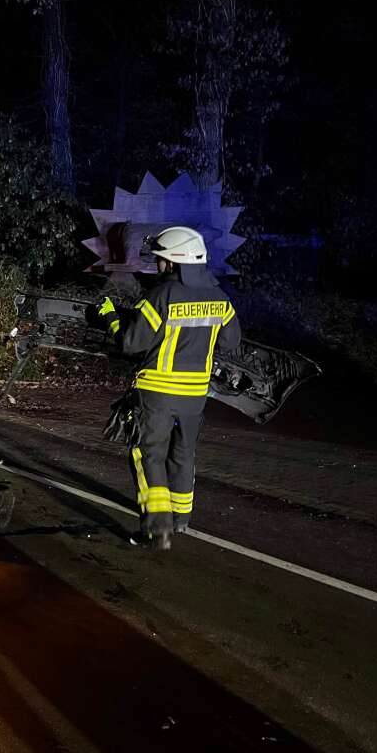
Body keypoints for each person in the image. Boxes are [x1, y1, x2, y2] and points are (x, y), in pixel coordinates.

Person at [94, 226, 241, 550]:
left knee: (149, 454)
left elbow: (130, 343)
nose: (157, 265)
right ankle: (180, 520)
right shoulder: (219, 298)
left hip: (157, 392)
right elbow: (231, 342)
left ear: (175, 263)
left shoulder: (162, 296)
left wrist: (110, 317)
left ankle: (157, 530)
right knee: (183, 453)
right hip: (195, 397)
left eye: (160, 260)